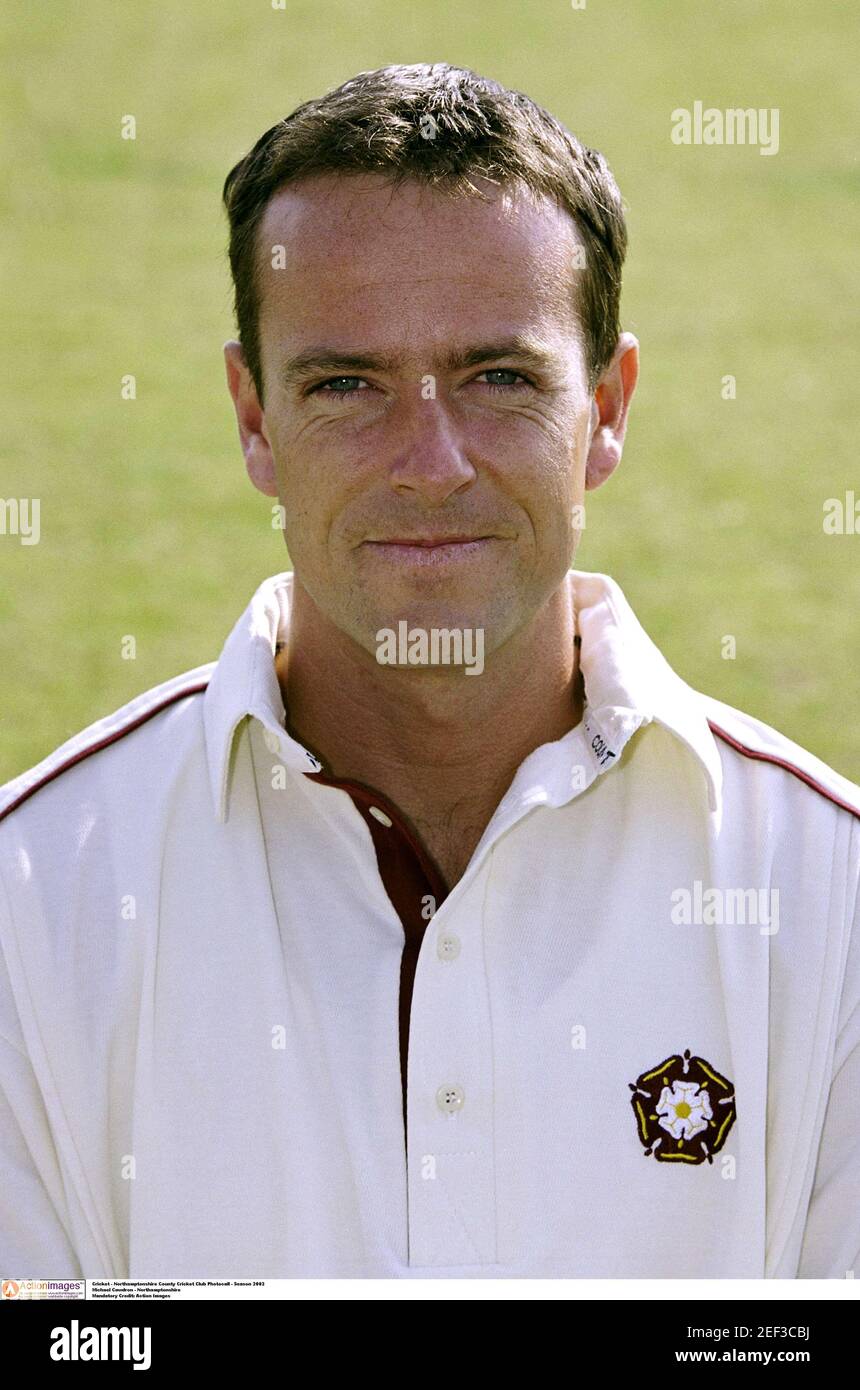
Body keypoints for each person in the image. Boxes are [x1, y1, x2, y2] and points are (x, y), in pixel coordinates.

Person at [1, 64, 857, 1280]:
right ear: (253, 417)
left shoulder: (829, 900)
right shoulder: (32, 901)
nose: (428, 461)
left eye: (496, 378)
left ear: (606, 408)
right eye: (344, 384)